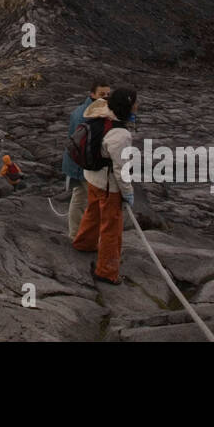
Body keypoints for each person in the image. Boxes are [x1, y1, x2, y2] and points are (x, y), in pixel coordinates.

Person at [71, 86, 138, 285]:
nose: (137, 105)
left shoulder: (101, 114)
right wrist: (128, 192)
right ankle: (107, 271)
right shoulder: (120, 135)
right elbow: (120, 169)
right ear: (127, 106)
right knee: (111, 228)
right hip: (109, 186)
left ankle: (83, 243)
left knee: (92, 212)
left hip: (91, 177)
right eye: (134, 102)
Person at [62, 80, 111, 239]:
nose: (105, 97)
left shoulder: (87, 110)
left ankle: (76, 234)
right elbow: (87, 143)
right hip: (83, 164)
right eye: (101, 94)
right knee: (93, 203)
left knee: (79, 198)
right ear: (92, 94)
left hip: (76, 162)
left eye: (108, 94)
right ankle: (85, 238)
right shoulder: (88, 114)